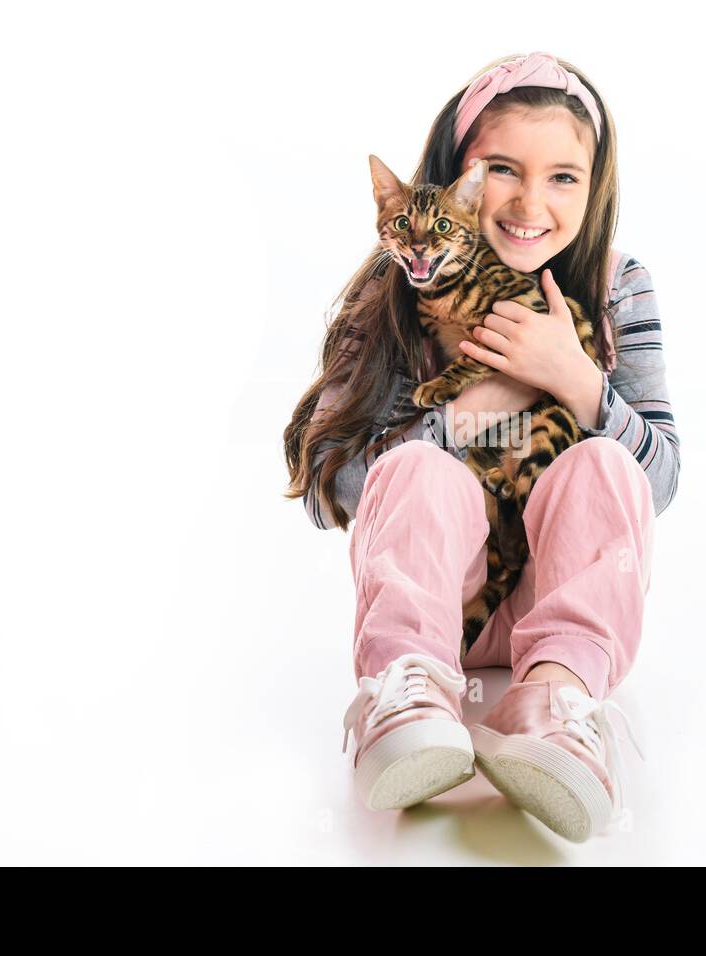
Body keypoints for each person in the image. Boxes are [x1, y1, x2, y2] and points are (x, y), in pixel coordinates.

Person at [283, 51, 680, 842]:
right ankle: (409, 694)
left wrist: (575, 379)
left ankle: (557, 703)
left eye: (564, 176)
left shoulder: (616, 284)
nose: (532, 200)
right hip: (436, 598)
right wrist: (471, 413)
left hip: (556, 596)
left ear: (595, 185)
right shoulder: (394, 291)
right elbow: (335, 485)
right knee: (420, 467)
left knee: (602, 463)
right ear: (459, 178)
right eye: (503, 168)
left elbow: (658, 482)